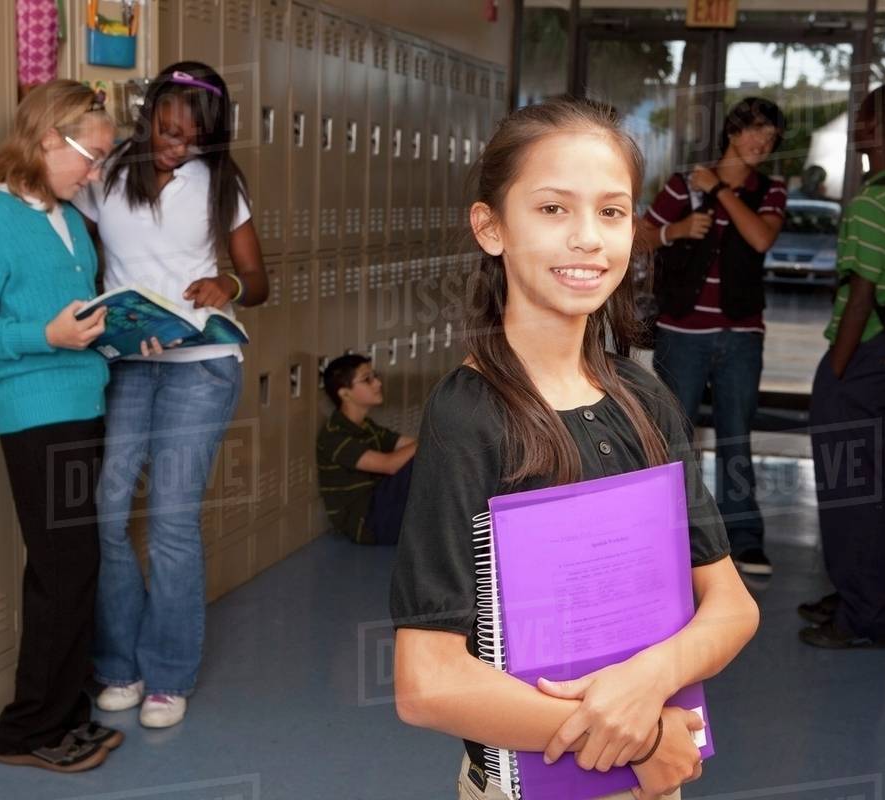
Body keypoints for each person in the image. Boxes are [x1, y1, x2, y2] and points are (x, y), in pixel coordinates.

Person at [390, 98, 760, 800]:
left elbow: (733, 605)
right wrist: (639, 734)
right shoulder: (467, 416)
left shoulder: (642, 399)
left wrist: (647, 683)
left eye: (612, 212)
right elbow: (426, 682)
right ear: (490, 227)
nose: (589, 238)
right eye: (554, 209)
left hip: (654, 782)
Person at [75, 62, 269, 729]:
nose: (173, 146)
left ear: (208, 137)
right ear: (149, 114)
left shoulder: (221, 185)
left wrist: (227, 288)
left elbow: (257, 278)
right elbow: (83, 250)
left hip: (202, 362)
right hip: (131, 360)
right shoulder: (112, 171)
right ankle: (117, 664)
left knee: (171, 520)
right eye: (165, 130)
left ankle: (167, 674)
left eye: (188, 138)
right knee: (106, 508)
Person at [0, 80, 121, 772]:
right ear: (49, 138)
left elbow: (77, 319)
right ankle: (27, 729)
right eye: (92, 156)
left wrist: (129, 333)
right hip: (37, 414)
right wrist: (46, 336)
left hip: (84, 404)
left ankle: (65, 713)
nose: (96, 172)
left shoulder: (70, 218)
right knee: (62, 571)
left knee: (78, 570)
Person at [798, 84, 885, 650]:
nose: (854, 121)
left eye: (862, 113)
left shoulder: (878, 200)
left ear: (877, 125)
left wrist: (839, 369)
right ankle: (855, 598)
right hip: (883, 363)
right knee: (869, 487)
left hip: (862, 362)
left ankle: (863, 618)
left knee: (850, 491)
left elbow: (861, 295)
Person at [646, 97, 788, 578]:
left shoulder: (770, 190)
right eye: (754, 133)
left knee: (736, 436)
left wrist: (722, 192)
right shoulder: (683, 185)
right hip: (681, 333)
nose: (760, 145)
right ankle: (673, 538)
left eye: (769, 140)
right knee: (673, 437)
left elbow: (761, 238)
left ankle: (744, 540)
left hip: (741, 334)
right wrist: (678, 229)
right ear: (733, 131)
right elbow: (640, 235)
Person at [316, 354, 417, 545]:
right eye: (367, 379)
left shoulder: (367, 426)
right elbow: (389, 465)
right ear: (344, 393)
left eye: (375, 376)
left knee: (434, 455)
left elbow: (408, 444)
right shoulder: (334, 435)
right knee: (420, 460)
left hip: (383, 507)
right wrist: (436, 433)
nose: (377, 383)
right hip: (368, 523)